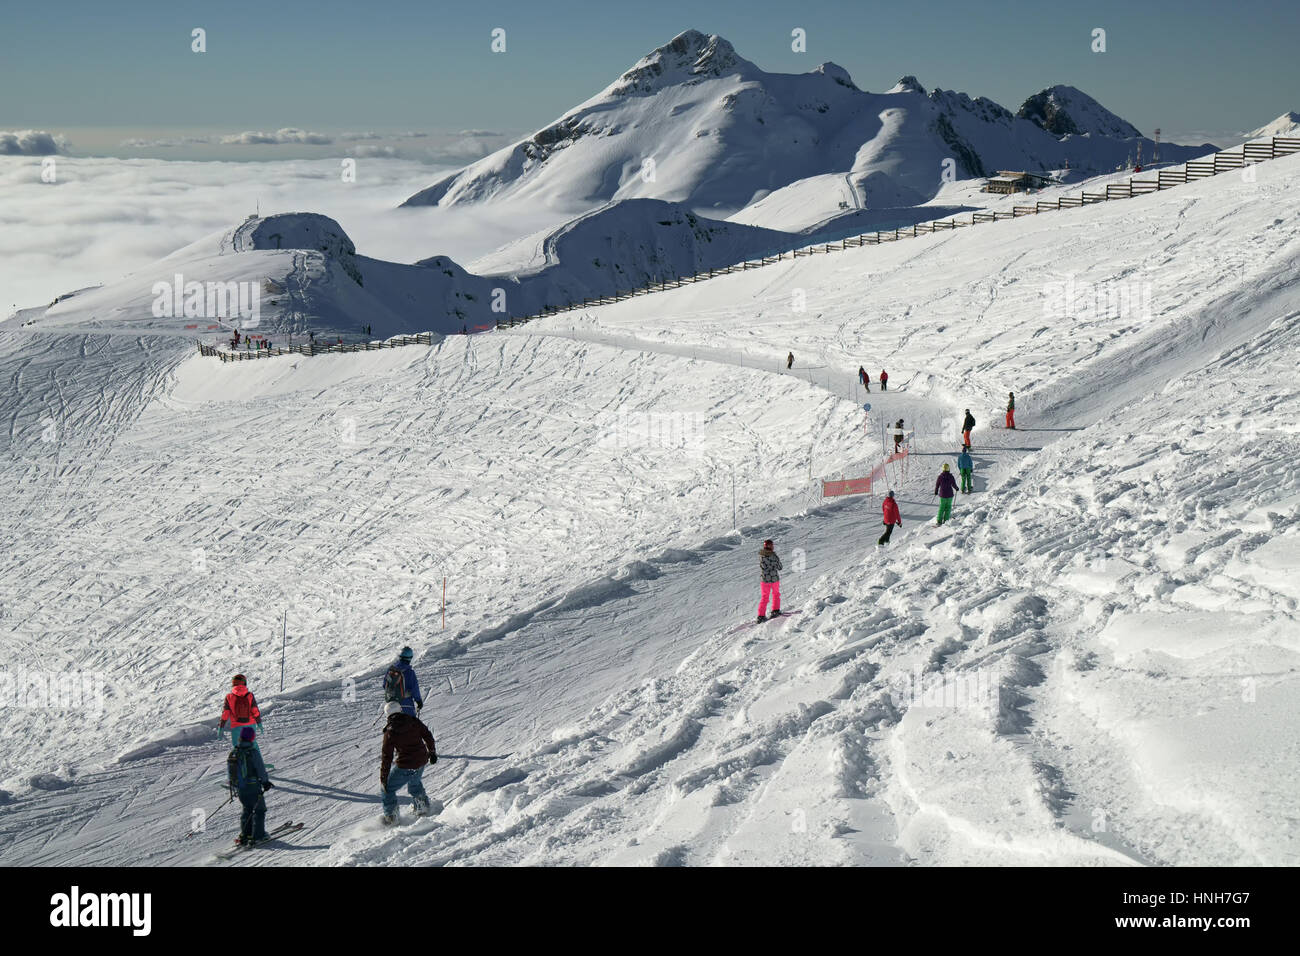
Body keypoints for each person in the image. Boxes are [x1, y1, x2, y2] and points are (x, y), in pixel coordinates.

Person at [379, 701, 437, 825]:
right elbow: (427, 734)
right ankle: (421, 806)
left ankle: (391, 816)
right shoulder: (413, 720)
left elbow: (386, 756)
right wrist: (432, 752)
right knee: (414, 782)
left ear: (387, 715)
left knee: (387, 789)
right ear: (400, 710)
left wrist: (384, 777)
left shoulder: (390, 731)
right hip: (421, 760)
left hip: (406, 765)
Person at [227, 726, 273, 846]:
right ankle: (258, 835)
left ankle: (245, 835)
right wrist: (265, 782)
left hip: (240, 788)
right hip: (253, 786)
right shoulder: (252, 752)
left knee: (247, 809)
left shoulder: (234, 752)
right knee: (259, 810)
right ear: (251, 737)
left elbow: (230, 772)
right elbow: (260, 769)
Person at [218, 674, 264, 752]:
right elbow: (255, 710)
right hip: (250, 724)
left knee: (237, 746)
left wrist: (221, 727)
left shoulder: (229, 697)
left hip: (236, 726)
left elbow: (225, 714)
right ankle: (258, 763)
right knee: (252, 743)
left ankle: (241, 763)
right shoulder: (250, 695)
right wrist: (259, 723)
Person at [384, 646, 424, 717]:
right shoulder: (409, 672)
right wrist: (419, 701)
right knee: (410, 723)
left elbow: (384, 685)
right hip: (405, 704)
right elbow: (414, 689)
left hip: (391, 705)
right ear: (410, 658)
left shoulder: (391, 669)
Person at [757, 539, 782, 622]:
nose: (773, 547)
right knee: (776, 594)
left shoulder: (761, 556)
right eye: (772, 545)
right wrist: (775, 563)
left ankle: (761, 616)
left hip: (764, 580)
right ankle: (775, 610)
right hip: (774, 579)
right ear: (770, 546)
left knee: (764, 597)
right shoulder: (773, 556)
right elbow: (780, 567)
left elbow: (764, 567)